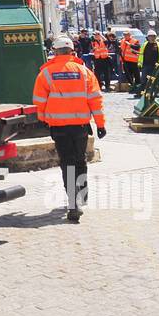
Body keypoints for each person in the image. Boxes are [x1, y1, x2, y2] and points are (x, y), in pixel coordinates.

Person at [32, 34, 105, 223]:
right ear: (72, 51)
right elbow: (95, 100)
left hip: (59, 127)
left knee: (67, 163)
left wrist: (42, 119)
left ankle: (74, 203)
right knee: (80, 161)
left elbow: (39, 101)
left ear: (54, 51)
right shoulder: (84, 72)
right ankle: (81, 197)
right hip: (80, 126)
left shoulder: (46, 73)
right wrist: (101, 124)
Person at [138, 29, 159, 95]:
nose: (152, 38)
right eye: (150, 36)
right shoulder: (144, 45)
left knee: (156, 79)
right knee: (144, 80)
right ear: (147, 37)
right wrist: (140, 63)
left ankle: (156, 92)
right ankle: (143, 92)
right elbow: (141, 54)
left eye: (153, 36)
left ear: (155, 37)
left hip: (156, 65)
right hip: (146, 65)